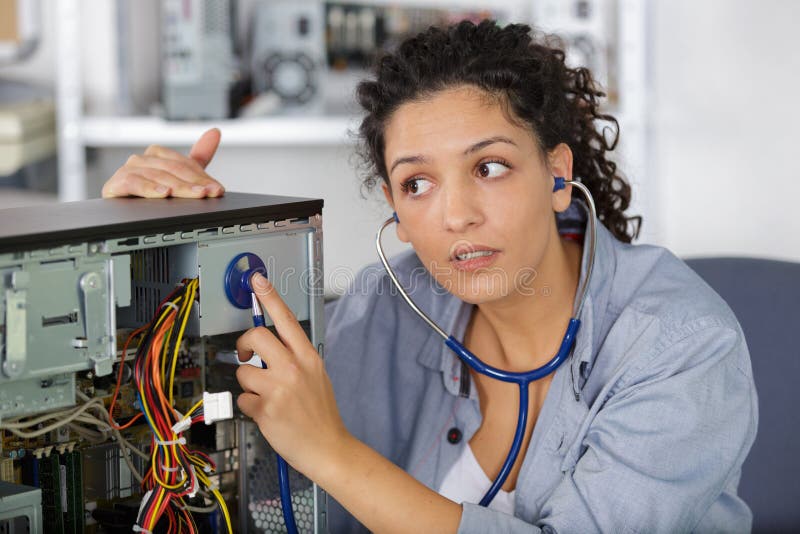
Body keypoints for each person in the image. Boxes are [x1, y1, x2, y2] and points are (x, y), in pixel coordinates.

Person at [102, 20, 757, 533]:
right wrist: (144, 245)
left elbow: (325, 456)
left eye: (489, 167)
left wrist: (334, 454)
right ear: (396, 211)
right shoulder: (384, 309)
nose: (456, 216)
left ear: (558, 175)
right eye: (417, 183)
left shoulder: (680, 345)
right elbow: (263, 490)